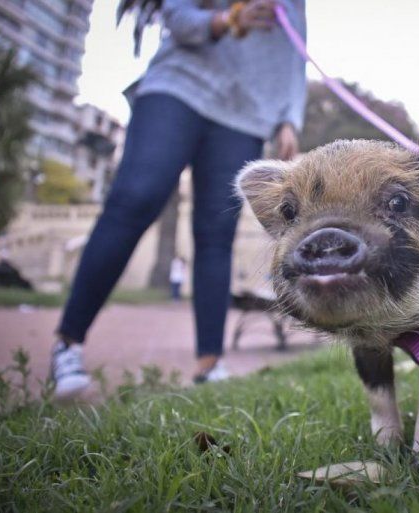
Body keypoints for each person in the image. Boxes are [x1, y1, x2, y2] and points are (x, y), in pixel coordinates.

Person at [49, 0, 306, 399]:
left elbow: (295, 47)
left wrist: (290, 115)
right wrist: (226, 19)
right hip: (179, 87)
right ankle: (68, 344)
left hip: (245, 114)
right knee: (135, 199)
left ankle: (210, 364)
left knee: (217, 232)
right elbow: (177, 16)